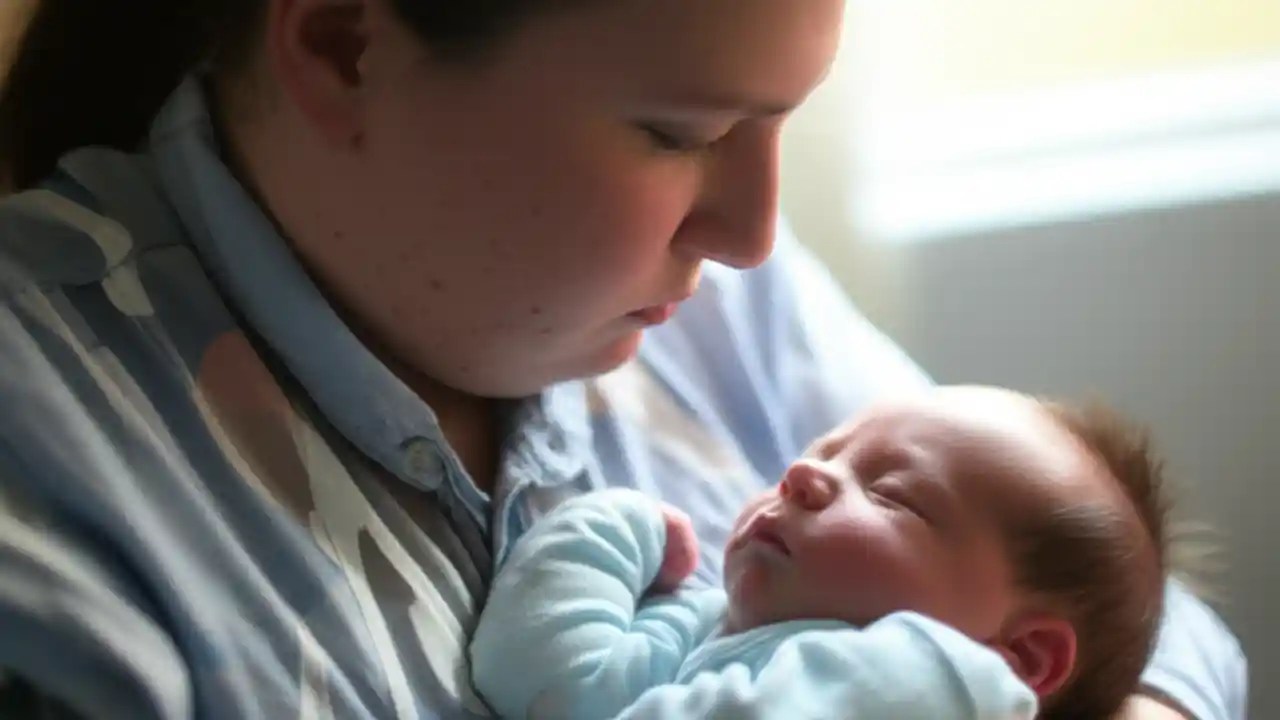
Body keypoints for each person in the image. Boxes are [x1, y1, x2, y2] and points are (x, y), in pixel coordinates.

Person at [0, 1, 1246, 718]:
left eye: (779, 124)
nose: (752, 236)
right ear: (339, 42)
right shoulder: (58, 445)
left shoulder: (712, 305)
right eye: (676, 131)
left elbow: (1088, 577)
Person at [471, 387, 1167, 719]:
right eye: (821, 453)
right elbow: (538, 686)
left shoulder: (933, 682)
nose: (804, 476)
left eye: (895, 495)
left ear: (1022, 657)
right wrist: (612, 526)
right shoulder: (696, 624)